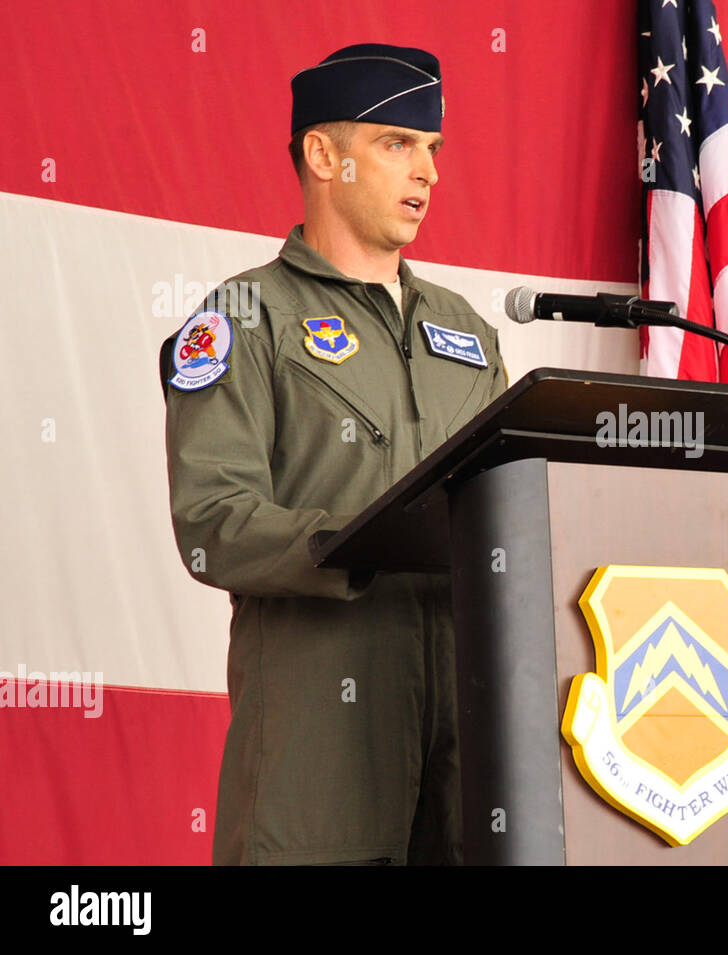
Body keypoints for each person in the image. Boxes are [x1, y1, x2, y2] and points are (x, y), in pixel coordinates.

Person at [160, 43, 507, 865]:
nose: (426, 172)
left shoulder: (468, 331)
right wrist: (353, 543)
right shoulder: (245, 317)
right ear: (323, 154)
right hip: (318, 755)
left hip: (469, 749)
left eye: (434, 150)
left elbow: (509, 504)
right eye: (397, 144)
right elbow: (211, 520)